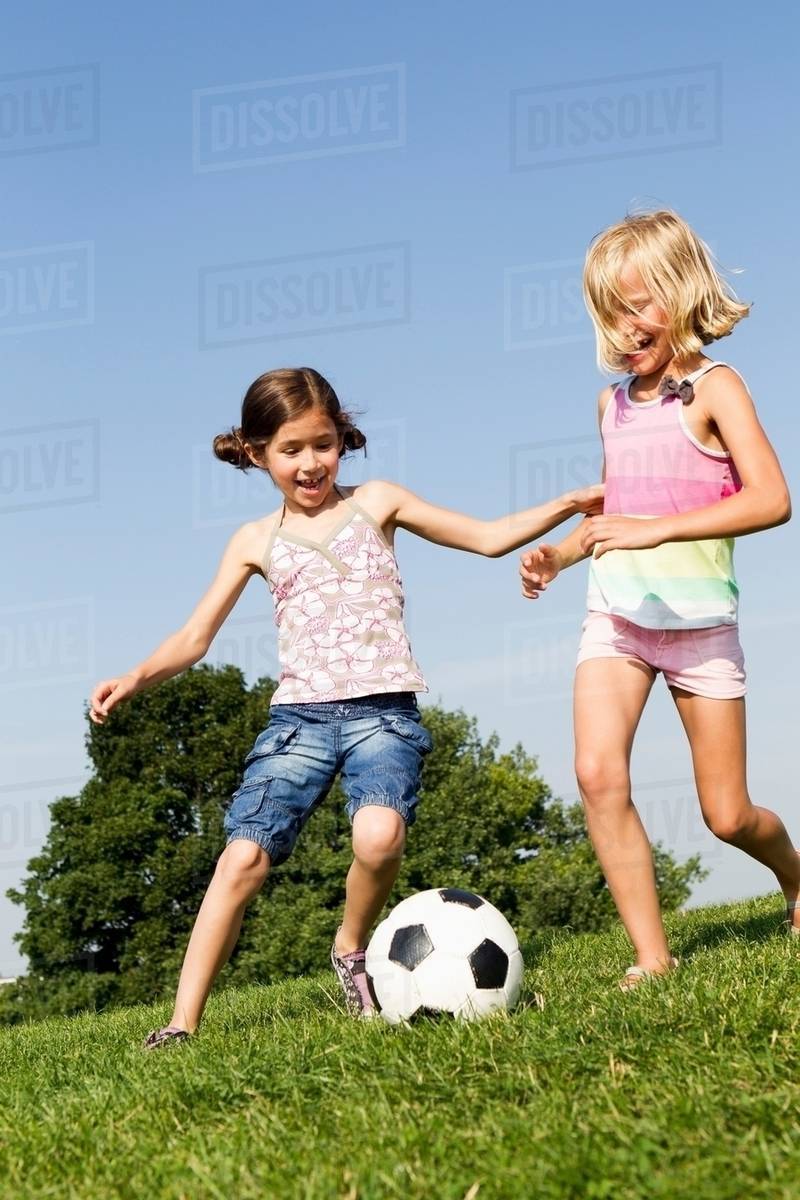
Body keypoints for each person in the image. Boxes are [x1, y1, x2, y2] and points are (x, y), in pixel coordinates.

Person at [89, 366, 602, 1043]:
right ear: (257, 454)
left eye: (323, 444)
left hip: (382, 714)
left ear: (342, 439)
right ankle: (182, 1023)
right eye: (291, 450)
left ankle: (350, 944)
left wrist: (569, 502)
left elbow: (486, 537)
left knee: (380, 837)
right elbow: (194, 637)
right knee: (241, 860)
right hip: (298, 722)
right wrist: (136, 675)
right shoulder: (253, 540)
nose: (310, 463)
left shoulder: (378, 502)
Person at [520, 210, 796, 990]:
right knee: (597, 773)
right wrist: (559, 555)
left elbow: (773, 499)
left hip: (700, 626)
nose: (625, 328)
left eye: (638, 306)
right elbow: (621, 512)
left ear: (681, 293)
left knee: (727, 815)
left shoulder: (717, 388)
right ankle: (653, 958)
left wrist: (655, 530)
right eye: (610, 312)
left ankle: (795, 875)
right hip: (618, 618)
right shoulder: (611, 405)